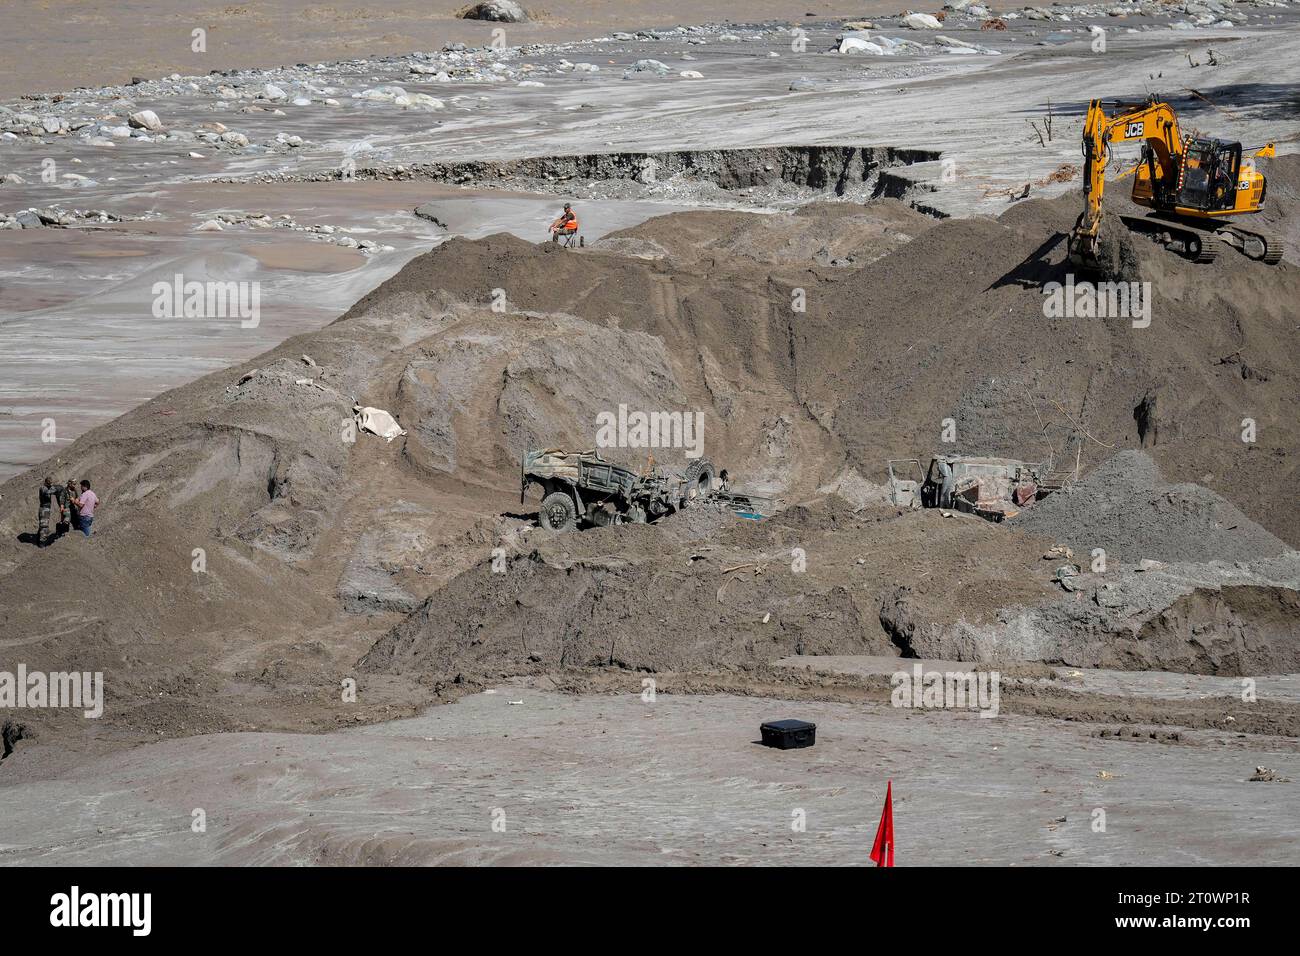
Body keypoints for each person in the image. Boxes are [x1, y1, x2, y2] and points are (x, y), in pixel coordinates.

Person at [36, 476, 66, 547]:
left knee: (42, 525)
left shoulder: (48, 487)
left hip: (46, 509)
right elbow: (49, 492)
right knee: (44, 526)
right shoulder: (43, 488)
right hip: (44, 509)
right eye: (49, 484)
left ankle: (38, 539)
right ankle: (42, 542)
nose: (51, 486)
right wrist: (57, 488)